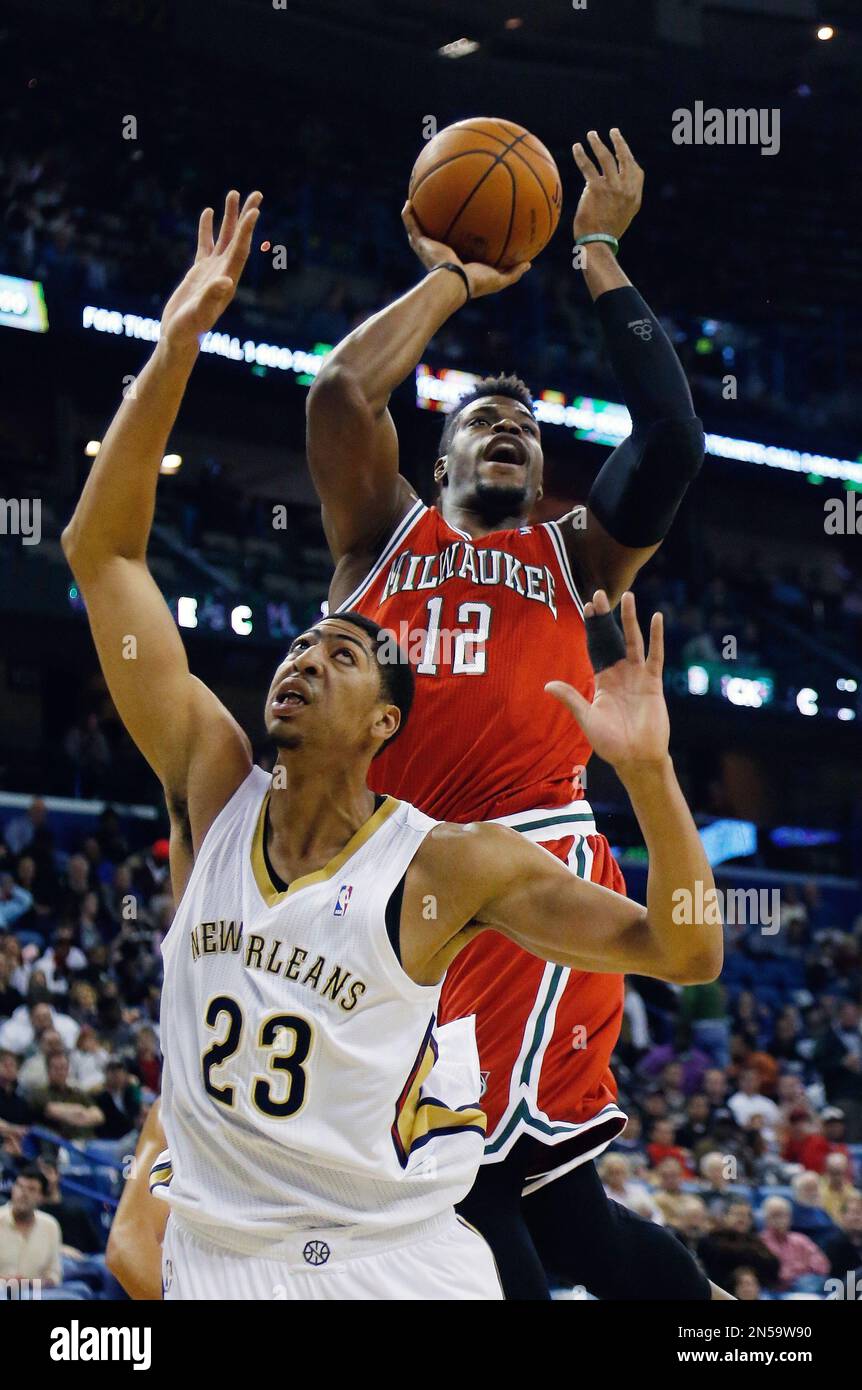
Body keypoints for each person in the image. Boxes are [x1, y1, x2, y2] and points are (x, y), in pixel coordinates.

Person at [62, 188, 721, 1301]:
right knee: (549, 1209)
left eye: (347, 650)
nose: (312, 652)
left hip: (487, 874)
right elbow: (123, 541)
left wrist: (651, 777)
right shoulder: (367, 559)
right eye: (306, 639)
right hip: (326, 1030)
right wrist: (190, 336)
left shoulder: (571, 559)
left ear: (385, 716)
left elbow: (693, 956)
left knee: (503, 1196)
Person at [305, 130, 712, 1300]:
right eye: (485, 418)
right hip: (388, 891)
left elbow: (674, 442)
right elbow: (339, 392)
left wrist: (595, 250)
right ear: (434, 457)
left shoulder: (575, 552)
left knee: (472, 1195)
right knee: (548, 1204)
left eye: (527, 430)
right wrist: (454, 277)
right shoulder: (377, 534)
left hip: (527, 878)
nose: (510, 429)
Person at [696, 1198, 779, 1291]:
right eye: (738, 1214)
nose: (742, 1219)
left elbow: (773, 1265)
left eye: (747, 1215)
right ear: (725, 1216)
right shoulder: (710, 1239)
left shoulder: (754, 1240)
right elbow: (720, 1260)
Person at [0, 1166, 62, 1289]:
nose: (23, 1193)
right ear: (12, 1190)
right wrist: (7, 1281)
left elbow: (54, 1274)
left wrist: (33, 1284)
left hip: (36, 1292)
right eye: (20, 1187)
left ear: (41, 1198)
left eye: (31, 1189)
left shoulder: (50, 1226)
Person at [759, 1195, 830, 1291]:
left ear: (790, 1218)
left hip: (807, 1284)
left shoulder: (801, 1239)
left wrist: (798, 1274)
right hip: (775, 1287)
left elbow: (822, 1265)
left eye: (783, 1215)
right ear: (766, 1219)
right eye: (774, 1215)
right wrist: (801, 1268)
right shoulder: (760, 1242)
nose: (779, 1220)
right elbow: (775, 1274)